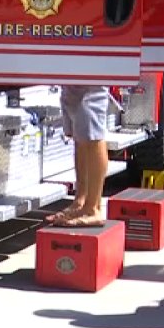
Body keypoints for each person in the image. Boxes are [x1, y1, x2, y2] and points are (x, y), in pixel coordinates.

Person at [47, 86, 112, 226]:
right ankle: (80, 202)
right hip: (73, 79)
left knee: (93, 135)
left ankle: (93, 209)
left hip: (92, 79)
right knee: (80, 135)